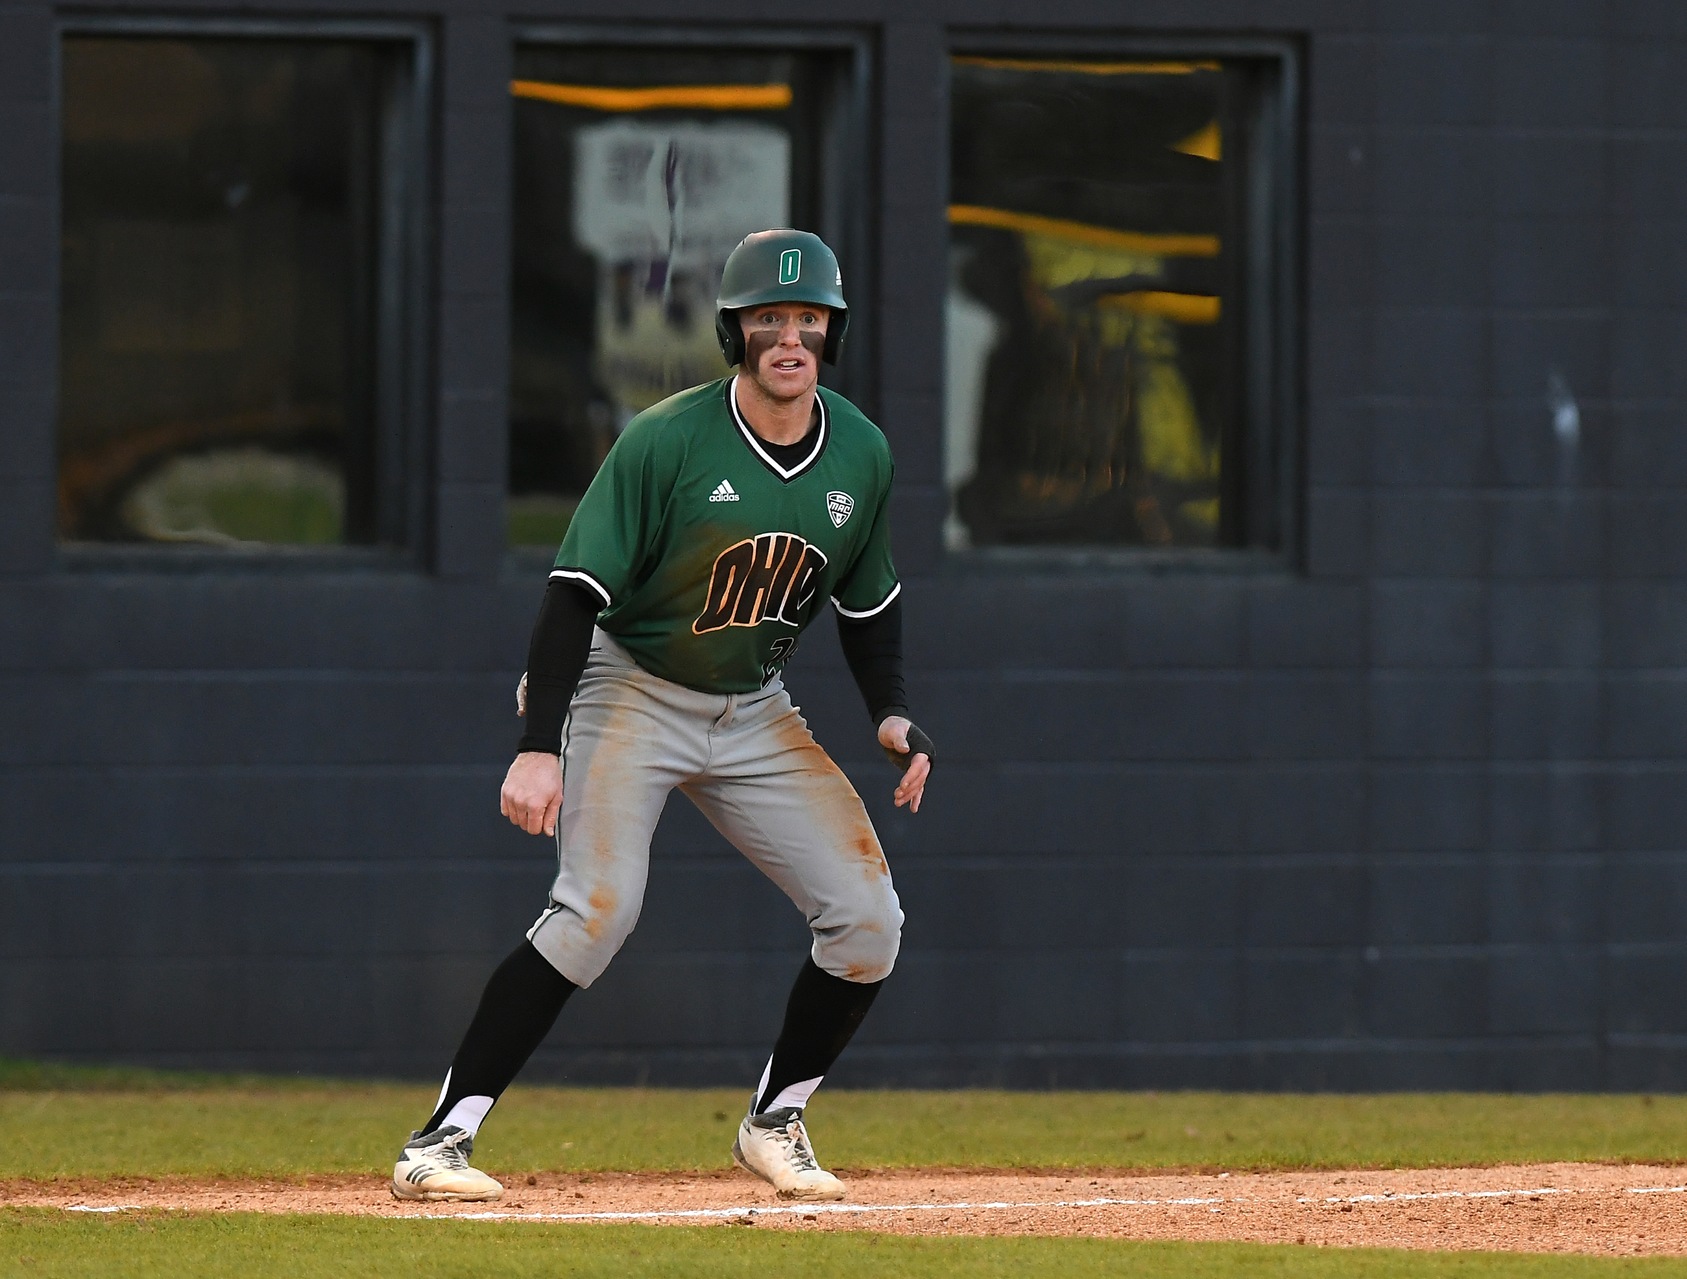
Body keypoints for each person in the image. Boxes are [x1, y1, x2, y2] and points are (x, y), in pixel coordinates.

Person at [391, 229, 933, 1204]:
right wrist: (536, 746)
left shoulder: (860, 450)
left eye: (807, 319)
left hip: (754, 708)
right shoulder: (667, 440)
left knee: (867, 921)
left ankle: (775, 1120)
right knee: (597, 910)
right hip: (629, 685)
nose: (789, 338)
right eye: (767, 319)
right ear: (734, 333)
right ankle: (439, 1141)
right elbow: (571, 594)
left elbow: (869, 606)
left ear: (830, 333)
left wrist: (890, 714)